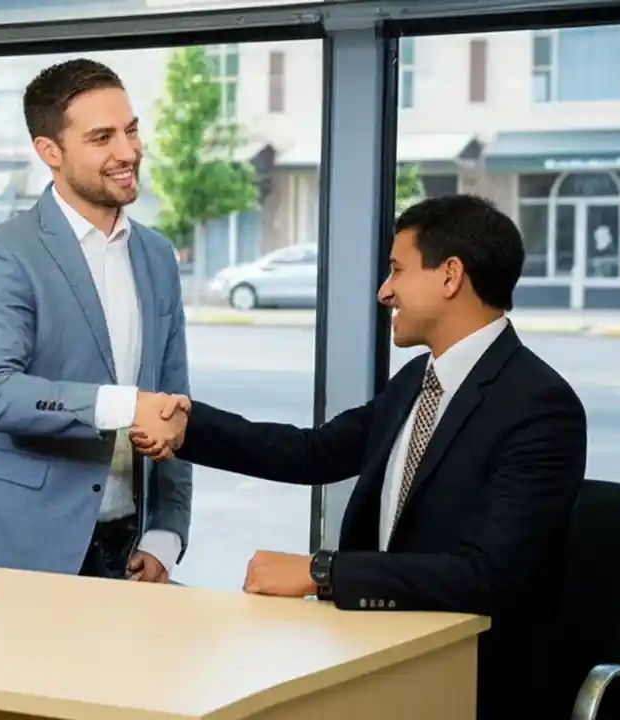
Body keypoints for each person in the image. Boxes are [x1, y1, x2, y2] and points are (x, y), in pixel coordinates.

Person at [132, 194, 587, 719]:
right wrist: (187, 425)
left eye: (397, 270)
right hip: (385, 657)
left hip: (469, 681)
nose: (384, 290)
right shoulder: (419, 380)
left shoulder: (539, 407)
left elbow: (485, 576)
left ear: (450, 276)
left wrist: (321, 572)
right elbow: (313, 453)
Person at [0, 58, 192, 582]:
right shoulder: (1, 254)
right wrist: (123, 404)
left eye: (131, 130)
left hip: (127, 545)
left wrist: (167, 530)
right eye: (102, 138)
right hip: (15, 546)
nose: (128, 152)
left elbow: (174, 400)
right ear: (49, 152)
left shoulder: (157, 255)